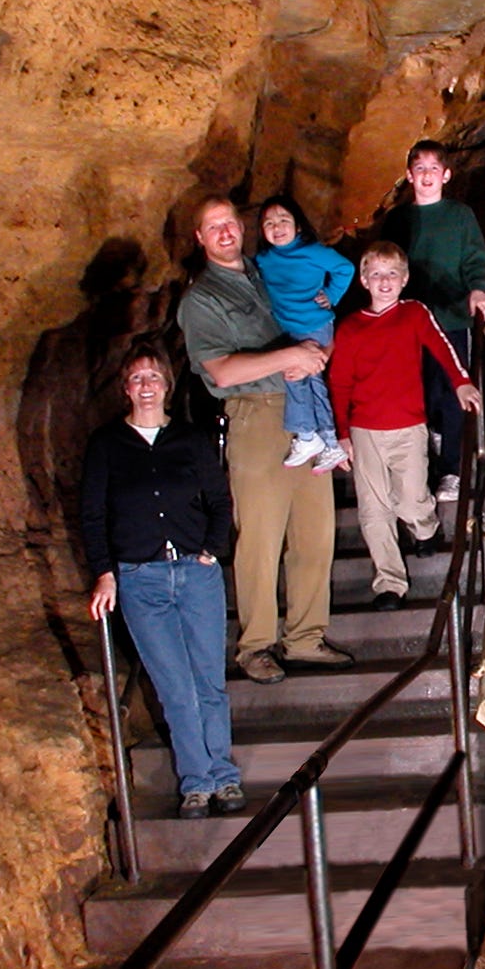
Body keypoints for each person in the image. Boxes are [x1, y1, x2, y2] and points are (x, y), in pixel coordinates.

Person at [175, 195, 344, 681]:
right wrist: (290, 357)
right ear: (200, 238)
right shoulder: (201, 300)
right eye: (213, 227)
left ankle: (307, 636)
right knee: (261, 537)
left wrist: (320, 321)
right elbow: (222, 371)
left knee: (316, 530)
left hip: (307, 411)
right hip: (256, 415)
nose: (225, 232)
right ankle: (255, 646)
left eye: (230, 222)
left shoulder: (265, 270)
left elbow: (311, 304)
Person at [80, 341, 244, 818]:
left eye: (154, 377)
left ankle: (224, 777)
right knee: (174, 685)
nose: (146, 386)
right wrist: (104, 573)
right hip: (140, 579)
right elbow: (93, 515)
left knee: (209, 681)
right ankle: (197, 782)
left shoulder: (191, 440)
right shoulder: (106, 445)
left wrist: (212, 551)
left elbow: (219, 499)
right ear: (125, 388)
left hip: (195, 573)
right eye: (137, 378)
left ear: (167, 386)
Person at [328, 240, 482, 601]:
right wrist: (342, 433)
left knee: (410, 500)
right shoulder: (350, 328)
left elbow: (443, 345)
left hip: (408, 427)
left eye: (392, 274)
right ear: (364, 280)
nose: (384, 281)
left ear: (404, 278)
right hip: (365, 430)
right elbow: (339, 382)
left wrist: (460, 382)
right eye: (376, 274)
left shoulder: (413, 314)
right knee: (373, 510)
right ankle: (390, 582)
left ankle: (426, 528)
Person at [382, 139, 485, 500]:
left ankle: (451, 471)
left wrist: (477, 289)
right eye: (420, 169)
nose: (427, 175)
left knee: (453, 390)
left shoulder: (460, 216)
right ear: (409, 176)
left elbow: (475, 258)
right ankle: (431, 440)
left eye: (433, 169)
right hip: (410, 319)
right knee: (420, 387)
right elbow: (383, 264)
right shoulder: (398, 220)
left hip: (451, 316)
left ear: (446, 175)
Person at [254, 195, 354, 471]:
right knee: (299, 379)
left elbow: (345, 268)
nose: (277, 227)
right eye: (269, 223)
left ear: (298, 226)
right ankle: (315, 437)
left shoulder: (312, 251)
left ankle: (325, 440)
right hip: (287, 327)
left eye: (284, 220)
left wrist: (332, 294)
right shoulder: (263, 258)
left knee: (309, 378)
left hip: (315, 324)